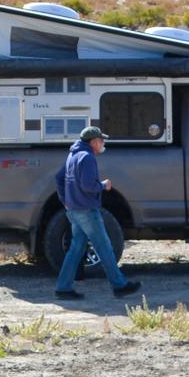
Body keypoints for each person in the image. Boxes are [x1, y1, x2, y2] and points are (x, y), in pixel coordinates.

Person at [54, 126, 141, 301]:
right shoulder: (87, 158)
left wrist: (66, 201)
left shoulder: (72, 155)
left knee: (76, 248)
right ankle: (119, 285)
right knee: (104, 247)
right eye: (101, 140)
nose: (103, 143)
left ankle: (63, 288)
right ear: (93, 142)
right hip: (87, 210)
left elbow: (59, 178)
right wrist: (103, 185)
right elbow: (88, 186)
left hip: (73, 211)